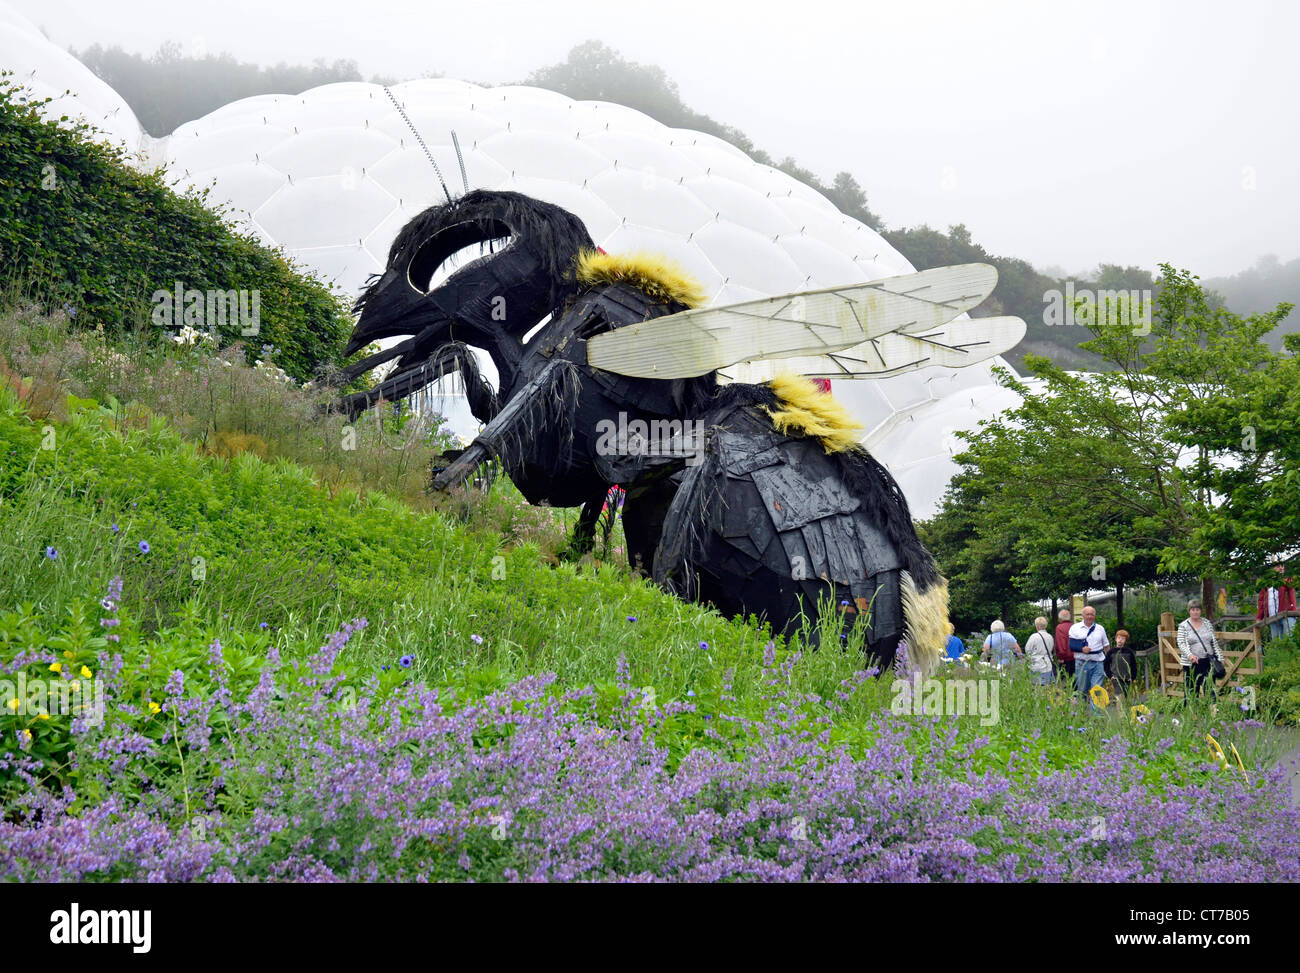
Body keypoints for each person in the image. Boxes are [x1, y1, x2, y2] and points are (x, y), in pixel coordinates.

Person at [1178, 598, 1224, 702]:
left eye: (1197, 609)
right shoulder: (1183, 626)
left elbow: (1214, 642)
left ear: (1200, 611)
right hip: (1192, 663)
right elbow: (1181, 643)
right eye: (1193, 609)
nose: (1195, 612)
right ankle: (1192, 715)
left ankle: (1213, 713)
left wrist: (1220, 657)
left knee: (1210, 688)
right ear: (1189, 611)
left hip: (1208, 661)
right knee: (1191, 689)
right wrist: (1190, 655)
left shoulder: (1207, 623)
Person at [1069, 605, 1110, 710]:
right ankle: (1081, 716)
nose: (1090, 616)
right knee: (1082, 691)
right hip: (1082, 663)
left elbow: (1106, 645)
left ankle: (1096, 717)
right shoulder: (1075, 628)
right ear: (1083, 615)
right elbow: (1071, 645)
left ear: (1095, 616)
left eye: (1092, 614)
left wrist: (1109, 660)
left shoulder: (1100, 628)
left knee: (1097, 690)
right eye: (1087, 614)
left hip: (1098, 663)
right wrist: (1081, 649)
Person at [1257, 564, 1297, 640]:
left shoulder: (1287, 580)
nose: (1281, 568)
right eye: (1278, 566)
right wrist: (1259, 617)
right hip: (1272, 617)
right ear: (1272, 569)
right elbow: (1261, 602)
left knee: (1289, 639)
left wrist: (1280, 578)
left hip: (1287, 615)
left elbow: (1291, 584)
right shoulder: (1266, 584)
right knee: (1275, 641)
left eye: (1282, 566)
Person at [1024, 616, 1055, 685]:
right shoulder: (1050, 636)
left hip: (1036, 665)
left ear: (1037, 626)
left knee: (1037, 687)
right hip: (1048, 664)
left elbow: (1027, 650)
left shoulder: (1034, 636)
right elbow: (1051, 648)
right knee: (1047, 687)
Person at [1107, 628, 1137, 694]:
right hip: (1116, 677)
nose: (1120, 640)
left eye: (1123, 639)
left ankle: (1126, 704)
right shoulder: (1111, 652)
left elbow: (1133, 665)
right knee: (1119, 694)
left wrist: (1132, 677)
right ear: (1116, 639)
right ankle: (1119, 704)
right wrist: (1110, 675)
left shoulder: (1129, 652)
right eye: (1119, 638)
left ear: (1125, 641)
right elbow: (1106, 664)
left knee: (1126, 694)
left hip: (1127, 678)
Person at [1053, 608, 1075, 679]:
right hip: (1076, 656)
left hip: (1065, 657)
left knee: (1064, 679)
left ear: (1060, 618)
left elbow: (1060, 643)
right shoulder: (1074, 626)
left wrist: (1060, 657)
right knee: (1074, 677)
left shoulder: (1059, 627)